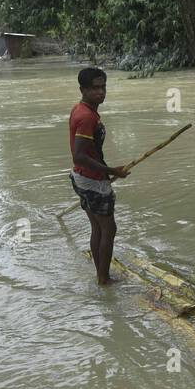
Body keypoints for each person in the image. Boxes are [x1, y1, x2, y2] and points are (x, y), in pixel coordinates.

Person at [68, 67, 129, 285]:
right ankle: (104, 279)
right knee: (109, 229)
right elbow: (80, 157)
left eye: (103, 87)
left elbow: (86, 155)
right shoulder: (86, 116)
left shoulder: (82, 109)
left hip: (84, 178)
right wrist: (113, 172)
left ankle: (100, 275)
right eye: (95, 88)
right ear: (83, 89)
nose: (101, 92)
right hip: (91, 179)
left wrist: (105, 172)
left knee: (98, 227)